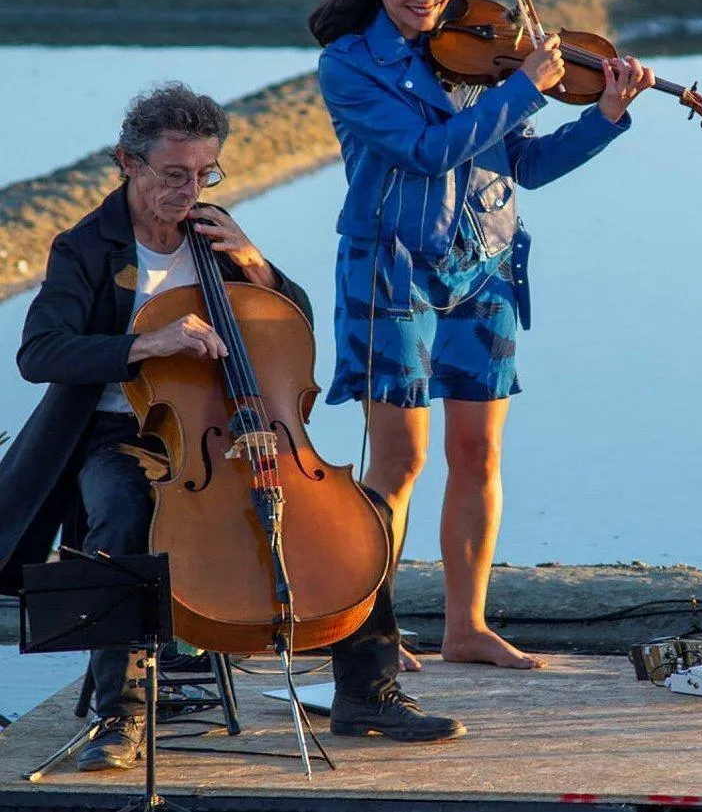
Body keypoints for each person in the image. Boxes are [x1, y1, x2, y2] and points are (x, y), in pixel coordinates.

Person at [0, 83, 466, 772]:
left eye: (203, 174)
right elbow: (39, 352)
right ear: (127, 161)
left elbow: (288, 322)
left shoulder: (215, 232)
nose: (190, 191)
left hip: (236, 428)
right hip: (120, 434)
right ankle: (121, 714)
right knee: (123, 518)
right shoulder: (86, 249)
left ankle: (367, 691)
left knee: (359, 510)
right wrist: (144, 345)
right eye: (173, 174)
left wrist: (258, 265)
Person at [308, 0, 654, 673]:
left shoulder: (477, 57)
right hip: (390, 271)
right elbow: (425, 152)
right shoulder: (348, 65)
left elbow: (521, 165)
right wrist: (525, 88)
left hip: (486, 265)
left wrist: (603, 114)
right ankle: (370, 632)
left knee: (479, 453)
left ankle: (465, 626)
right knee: (398, 461)